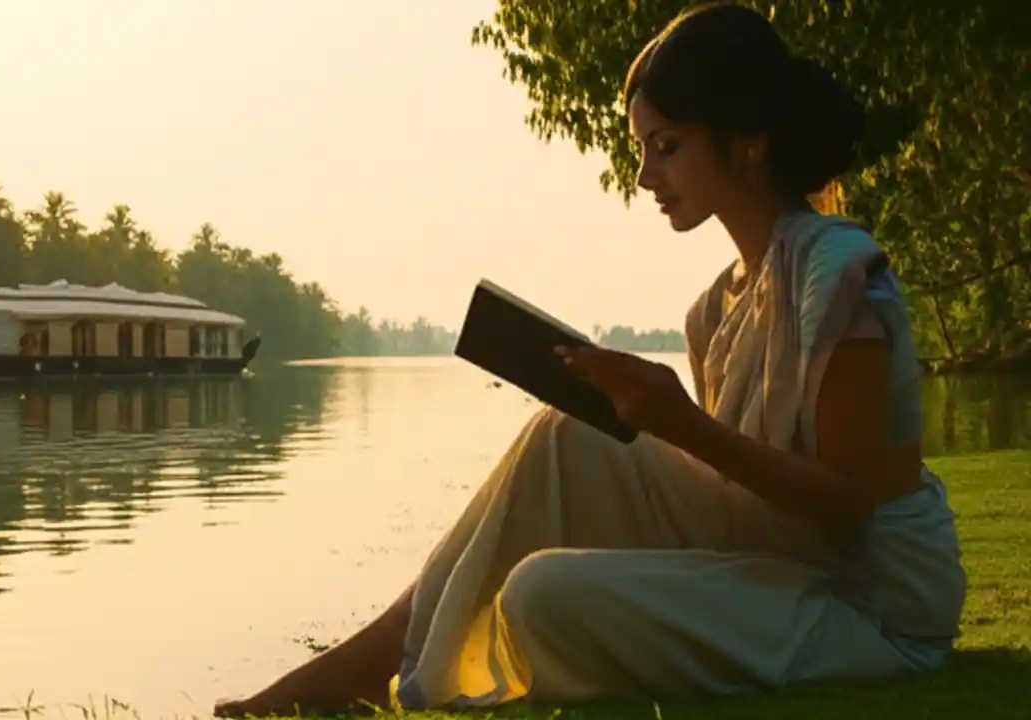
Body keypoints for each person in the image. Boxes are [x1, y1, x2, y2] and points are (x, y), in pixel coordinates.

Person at [213, 3, 967, 716]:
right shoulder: (713, 309)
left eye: (666, 147)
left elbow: (846, 507)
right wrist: (657, 419)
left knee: (541, 598)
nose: (644, 176)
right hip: (786, 560)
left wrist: (676, 420)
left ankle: (388, 660)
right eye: (642, 150)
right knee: (567, 432)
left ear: (747, 138)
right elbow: (741, 496)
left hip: (871, 605)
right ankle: (380, 653)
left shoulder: (839, 273)